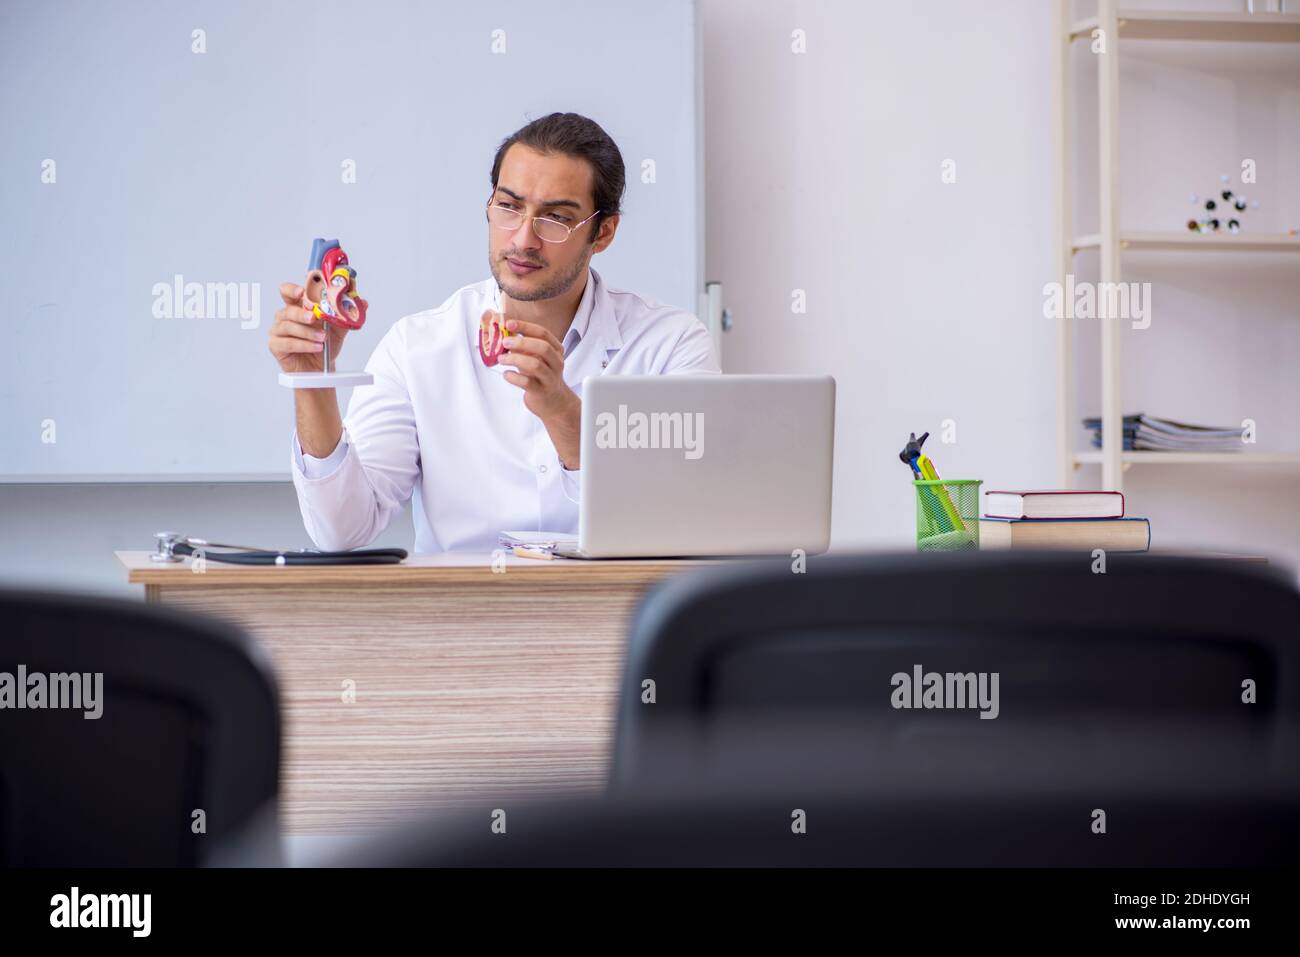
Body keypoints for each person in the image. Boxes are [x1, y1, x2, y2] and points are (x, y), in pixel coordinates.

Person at [268, 112, 719, 552]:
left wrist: (563, 414)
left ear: (603, 233)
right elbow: (342, 531)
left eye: (556, 218)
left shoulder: (669, 346)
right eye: (509, 206)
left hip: (613, 620)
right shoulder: (417, 347)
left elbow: (683, 524)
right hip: (461, 619)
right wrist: (313, 380)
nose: (523, 239)